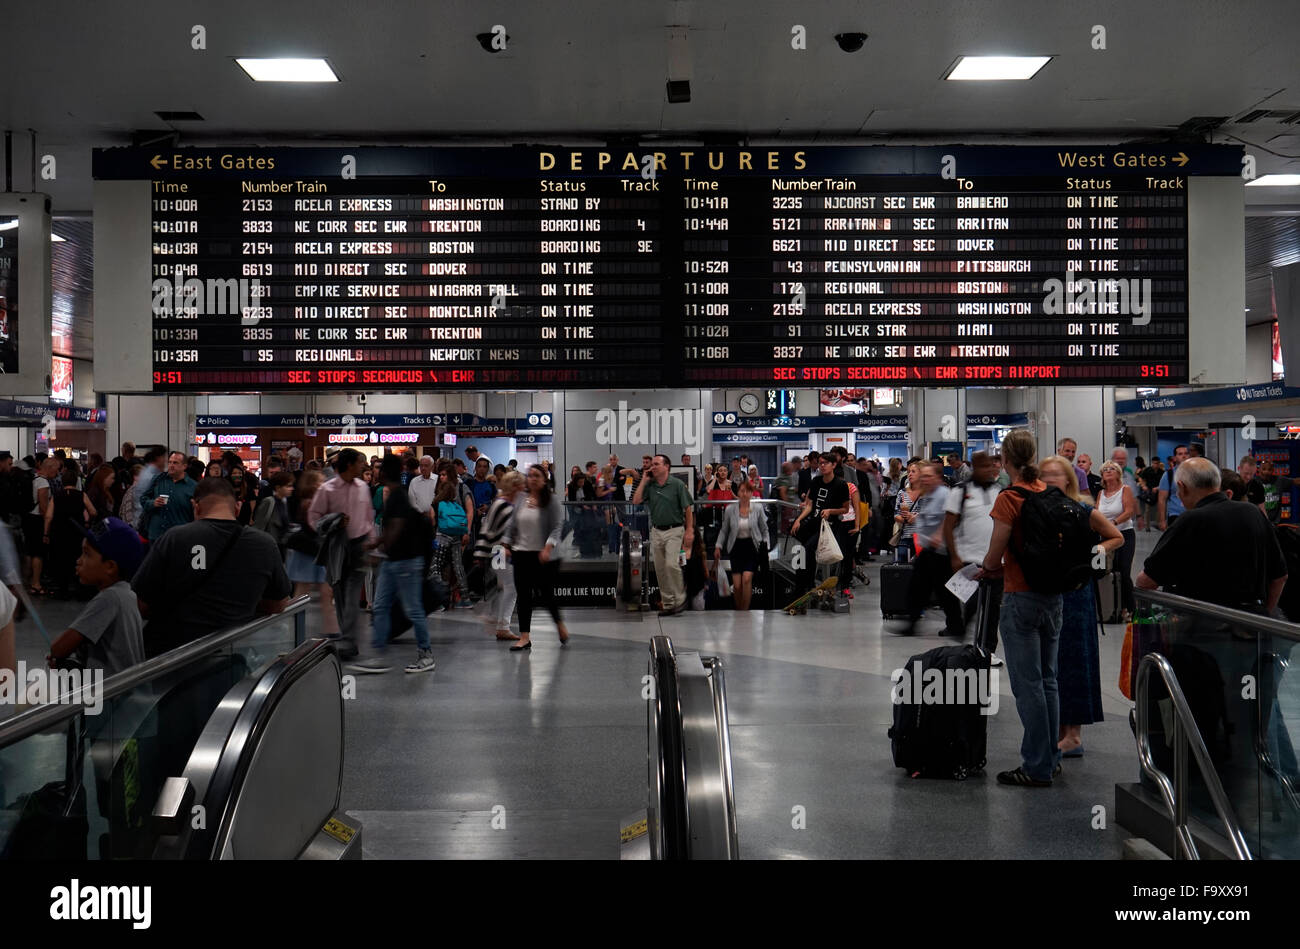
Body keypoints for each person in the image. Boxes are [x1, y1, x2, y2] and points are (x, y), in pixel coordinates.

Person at [976, 430, 1121, 788]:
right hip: (1054, 599)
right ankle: (1051, 757)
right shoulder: (1055, 496)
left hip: (1021, 597)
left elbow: (995, 555)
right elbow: (1109, 532)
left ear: (1005, 461)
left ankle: (1037, 765)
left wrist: (986, 567)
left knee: (1027, 686)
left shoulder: (1009, 499)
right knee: (1048, 680)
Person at [133, 477, 291, 657]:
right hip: (234, 652)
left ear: (196, 506)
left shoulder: (175, 538)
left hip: (173, 653)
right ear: (237, 507)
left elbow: (141, 602)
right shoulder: (264, 544)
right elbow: (279, 603)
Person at [1038, 455, 1116, 759]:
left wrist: (1096, 550)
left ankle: (1073, 734)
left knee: (1074, 660)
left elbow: (1115, 537)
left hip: (1076, 595)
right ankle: (1058, 729)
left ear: (1068, 479)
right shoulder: (1039, 510)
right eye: (1044, 474)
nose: (1048, 479)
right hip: (1048, 592)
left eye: (1054, 475)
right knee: (1051, 662)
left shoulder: (1084, 509)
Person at [1137, 458, 1288, 612]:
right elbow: (1280, 576)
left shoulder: (1189, 521)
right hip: (1252, 624)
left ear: (1182, 487)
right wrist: (1262, 618)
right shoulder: (1254, 513)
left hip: (1202, 625)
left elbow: (1146, 581)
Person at [347, 456, 436, 675]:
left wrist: (380, 548)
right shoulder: (395, 494)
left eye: (379, 470)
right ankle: (379, 656)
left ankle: (426, 654)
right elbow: (392, 529)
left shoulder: (397, 496)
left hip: (405, 562)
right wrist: (376, 545)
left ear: (385, 473)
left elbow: (395, 528)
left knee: (413, 609)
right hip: (394, 561)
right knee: (380, 607)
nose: (376, 472)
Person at [46, 518, 146, 676]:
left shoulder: (109, 598)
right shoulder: (128, 594)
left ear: (110, 567)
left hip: (112, 696)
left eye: (86, 554)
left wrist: (57, 656)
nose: (79, 561)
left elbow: (58, 648)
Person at [306, 448, 374, 660]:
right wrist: (332, 523)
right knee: (341, 593)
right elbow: (314, 517)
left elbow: (368, 516)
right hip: (337, 547)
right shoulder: (327, 489)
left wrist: (371, 542)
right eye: (359, 463)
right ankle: (348, 638)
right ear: (348, 465)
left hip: (359, 546)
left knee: (352, 594)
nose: (363, 466)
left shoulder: (363, 487)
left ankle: (349, 639)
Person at [501, 464, 569, 650]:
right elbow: (512, 524)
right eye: (530, 475)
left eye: (537, 475)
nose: (532, 478)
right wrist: (506, 544)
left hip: (544, 556)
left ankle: (559, 624)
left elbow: (557, 526)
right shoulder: (521, 498)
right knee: (523, 595)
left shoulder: (551, 500)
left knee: (546, 595)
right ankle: (525, 637)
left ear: (544, 479)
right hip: (521, 553)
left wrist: (548, 547)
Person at [941, 451, 1002, 651]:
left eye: (991, 466)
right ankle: (966, 635)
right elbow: (948, 526)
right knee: (974, 603)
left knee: (993, 608)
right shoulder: (960, 491)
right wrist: (954, 556)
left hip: (994, 560)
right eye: (984, 466)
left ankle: (988, 649)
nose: (990, 470)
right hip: (969, 559)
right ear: (975, 467)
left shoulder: (999, 490)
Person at [893, 462, 961, 636]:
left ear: (938, 478)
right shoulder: (929, 495)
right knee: (921, 587)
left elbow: (950, 517)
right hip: (929, 549)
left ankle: (954, 625)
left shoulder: (944, 494)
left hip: (940, 551)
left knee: (941, 591)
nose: (925, 479)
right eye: (924, 476)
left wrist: (939, 534)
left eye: (929, 476)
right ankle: (915, 622)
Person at [633, 454, 696, 617]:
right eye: (651, 464)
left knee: (671, 564)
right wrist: (644, 480)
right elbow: (636, 500)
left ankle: (680, 599)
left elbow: (688, 508)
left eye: (656, 464)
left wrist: (689, 530)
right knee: (660, 568)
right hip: (656, 530)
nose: (652, 467)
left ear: (666, 466)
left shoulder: (677, 484)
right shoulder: (651, 485)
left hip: (674, 530)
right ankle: (668, 604)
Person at [286, 469, 337, 639]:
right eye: (319, 482)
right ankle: (328, 628)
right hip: (311, 551)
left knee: (314, 591)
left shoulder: (311, 501)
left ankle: (328, 627)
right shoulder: (311, 503)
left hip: (310, 551)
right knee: (313, 592)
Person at [790, 454, 851, 594]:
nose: (822, 466)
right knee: (802, 548)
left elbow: (845, 509)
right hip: (814, 522)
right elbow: (810, 506)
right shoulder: (816, 481)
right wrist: (798, 520)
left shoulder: (841, 485)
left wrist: (830, 510)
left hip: (830, 526)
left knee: (808, 549)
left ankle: (807, 585)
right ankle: (805, 584)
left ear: (834, 465)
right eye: (820, 463)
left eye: (825, 463)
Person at [476, 469, 523, 640]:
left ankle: (497, 619)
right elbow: (496, 530)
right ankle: (499, 622)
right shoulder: (503, 504)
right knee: (511, 587)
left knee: (505, 586)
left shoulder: (501, 503)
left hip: (497, 551)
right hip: (500, 551)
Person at [44, 457, 97, 596]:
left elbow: (49, 516)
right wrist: (87, 522)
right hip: (77, 531)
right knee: (77, 559)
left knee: (60, 559)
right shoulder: (81, 495)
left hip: (59, 531)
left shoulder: (56, 495)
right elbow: (93, 511)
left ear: (62, 481)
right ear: (75, 481)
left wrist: (46, 533)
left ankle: (63, 589)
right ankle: (80, 588)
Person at [712, 478, 767, 611]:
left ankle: (745, 611)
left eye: (747, 491)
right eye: (742, 491)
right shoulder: (731, 509)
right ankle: (739, 609)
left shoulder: (758, 508)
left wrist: (765, 546)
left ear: (751, 493)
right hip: (736, 547)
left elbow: (764, 529)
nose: (744, 494)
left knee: (747, 579)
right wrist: (718, 546)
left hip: (752, 546)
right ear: (738, 492)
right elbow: (724, 530)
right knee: (737, 585)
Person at [1096, 460, 1137, 621]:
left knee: (1124, 571)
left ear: (1118, 473)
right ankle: (1112, 607)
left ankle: (1130, 608)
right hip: (1106, 537)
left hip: (1124, 534)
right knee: (1105, 571)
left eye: (1112, 469)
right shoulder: (1101, 493)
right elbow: (1097, 512)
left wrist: (1112, 523)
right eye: (1105, 469)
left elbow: (1129, 511)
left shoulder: (1124, 490)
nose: (1108, 471)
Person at [432, 466, 473, 608]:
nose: (441, 477)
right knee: (458, 566)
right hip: (457, 534)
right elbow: (469, 512)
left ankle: (440, 600)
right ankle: (465, 598)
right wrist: (465, 532)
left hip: (441, 535)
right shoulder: (458, 497)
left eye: (443, 474)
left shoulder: (439, 499)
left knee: (437, 565)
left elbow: (432, 519)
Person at [138, 451, 197, 542]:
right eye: (169, 462)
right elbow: (143, 499)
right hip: (156, 535)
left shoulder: (193, 486)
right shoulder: (158, 479)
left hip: (179, 537)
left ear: (184, 466)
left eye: (175, 463)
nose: (171, 465)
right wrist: (153, 503)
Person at [25, 456, 57, 595]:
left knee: (29, 551)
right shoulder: (43, 483)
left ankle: (28, 581)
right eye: (55, 470)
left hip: (29, 518)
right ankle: (36, 583)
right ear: (49, 468)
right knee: (38, 553)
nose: (56, 473)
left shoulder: (34, 478)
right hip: (38, 520)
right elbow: (44, 508)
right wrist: (47, 526)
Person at [251, 470, 295, 551]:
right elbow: (259, 524)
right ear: (278, 487)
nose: (291, 488)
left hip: (281, 546)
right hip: (269, 546)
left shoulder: (285, 501)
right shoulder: (269, 501)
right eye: (288, 486)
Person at [892, 460, 924, 562]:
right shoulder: (902, 493)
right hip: (906, 536)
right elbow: (896, 514)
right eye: (909, 471)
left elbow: (931, 513)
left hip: (923, 536)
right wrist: (906, 519)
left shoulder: (927, 492)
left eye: (913, 472)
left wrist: (916, 518)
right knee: (901, 562)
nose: (909, 474)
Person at [1251, 459, 1296, 524]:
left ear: (1273, 471)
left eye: (1269, 470)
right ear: (1258, 469)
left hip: (1276, 524)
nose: (1266, 472)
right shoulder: (1253, 482)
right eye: (1264, 469)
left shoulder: (1280, 480)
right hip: (1258, 523)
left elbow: (1295, 481)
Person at [1157, 444, 1190, 530]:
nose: (1184, 456)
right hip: (1175, 515)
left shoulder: (1196, 473)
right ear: (1175, 458)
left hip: (1194, 514)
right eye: (1180, 454)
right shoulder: (1169, 475)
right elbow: (1162, 499)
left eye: (1186, 453)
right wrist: (1162, 520)